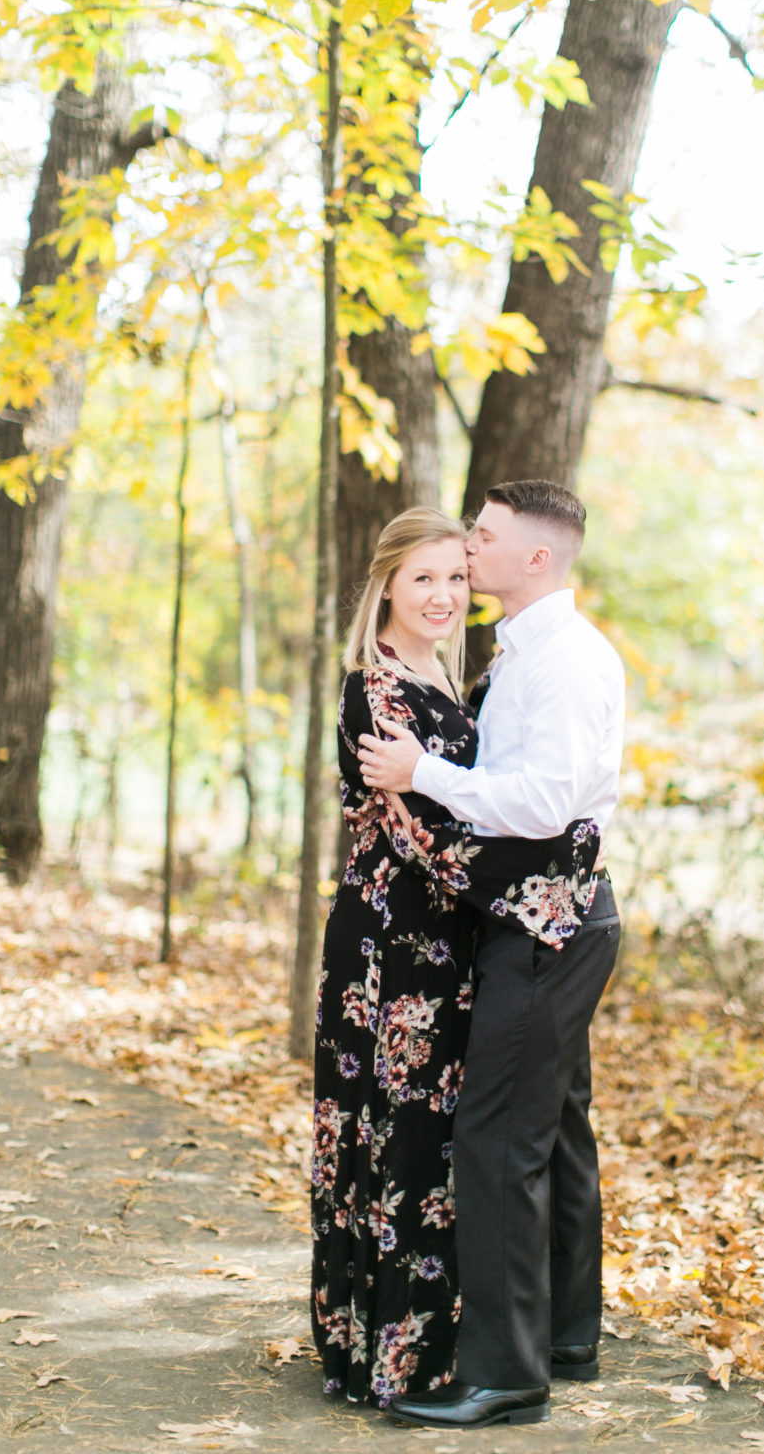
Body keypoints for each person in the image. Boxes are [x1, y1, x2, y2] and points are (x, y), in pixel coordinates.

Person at [310, 504, 601, 1409]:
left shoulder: (460, 679)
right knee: (394, 1137)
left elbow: (489, 799)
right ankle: (384, 1352)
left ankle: (469, 1339)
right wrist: (556, 881)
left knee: (444, 1145)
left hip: (456, 939)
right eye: (422, 578)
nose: (442, 593)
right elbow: (424, 834)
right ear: (386, 585)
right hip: (392, 950)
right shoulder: (377, 687)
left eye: (454, 576)